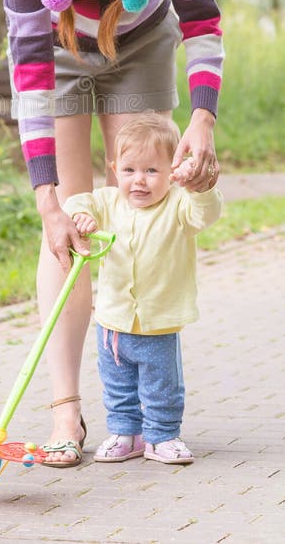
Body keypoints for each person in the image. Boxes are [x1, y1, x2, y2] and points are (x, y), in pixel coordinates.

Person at [3, 0, 224, 466]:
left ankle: (147, 407)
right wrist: (45, 196)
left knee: (145, 207)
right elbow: (29, 72)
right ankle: (65, 409)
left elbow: (202, 16)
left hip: (142, 36)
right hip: (61, 46)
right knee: (73, 219)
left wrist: (203, 118)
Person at [63, 112, 222, 464]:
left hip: (158, 321)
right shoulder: (107, 202)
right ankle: (126, 433)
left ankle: (162, 435)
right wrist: (80, 218)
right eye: (130, 170)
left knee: (162, 384)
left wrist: (202, 189)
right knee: (118, 386)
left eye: (152, 171)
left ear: (172, 171)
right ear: (115, 167)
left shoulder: (179, 204)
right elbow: (76, 201)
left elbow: (205, 215)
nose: (140, 181)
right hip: (113, 321)